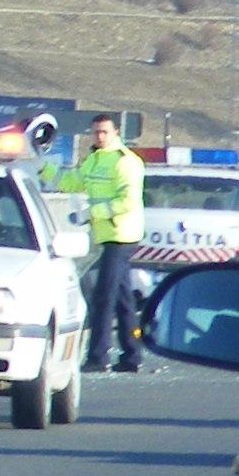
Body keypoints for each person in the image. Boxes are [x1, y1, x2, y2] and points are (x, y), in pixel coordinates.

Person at [53, 114, 147, 373]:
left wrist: (92, 213)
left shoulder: (126, 162)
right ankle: (132, 355)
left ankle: (98, 357)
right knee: (122, 299)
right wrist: (42, 168)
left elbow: (127, 201)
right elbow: (71, 182)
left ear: (116, 132)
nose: (100, 136)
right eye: (96, 132)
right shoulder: (94, 159)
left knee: (104, 296)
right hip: (106, 235)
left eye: (105, 132)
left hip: (121, 235)